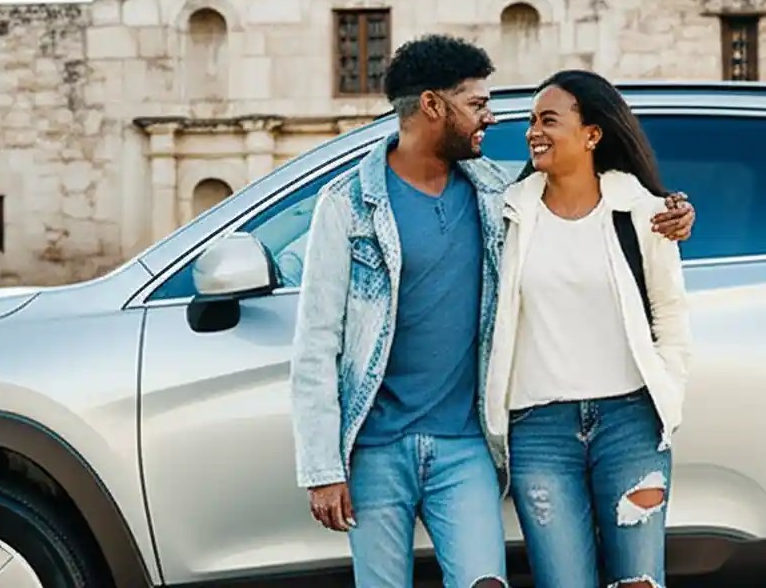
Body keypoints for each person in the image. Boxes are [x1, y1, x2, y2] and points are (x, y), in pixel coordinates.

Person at [290, 36, 694, 588]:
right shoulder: (352, 206)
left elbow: (591, 197)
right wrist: (322, 468)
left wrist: (674, 211)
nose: (493, 117)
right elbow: (316, 343)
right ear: (433, 105)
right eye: (478, 104)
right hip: (386, 447)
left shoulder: (495, 193)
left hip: (470, 445)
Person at [481, 69, 693, 588]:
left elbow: (670, 315)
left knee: (640, 582)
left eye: (549, 120)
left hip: (630, 425)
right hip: (539, 431)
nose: (534, 130)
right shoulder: (508, 213)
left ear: (592, 135)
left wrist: (669, 394)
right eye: (531, 121)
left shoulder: (644, 213)